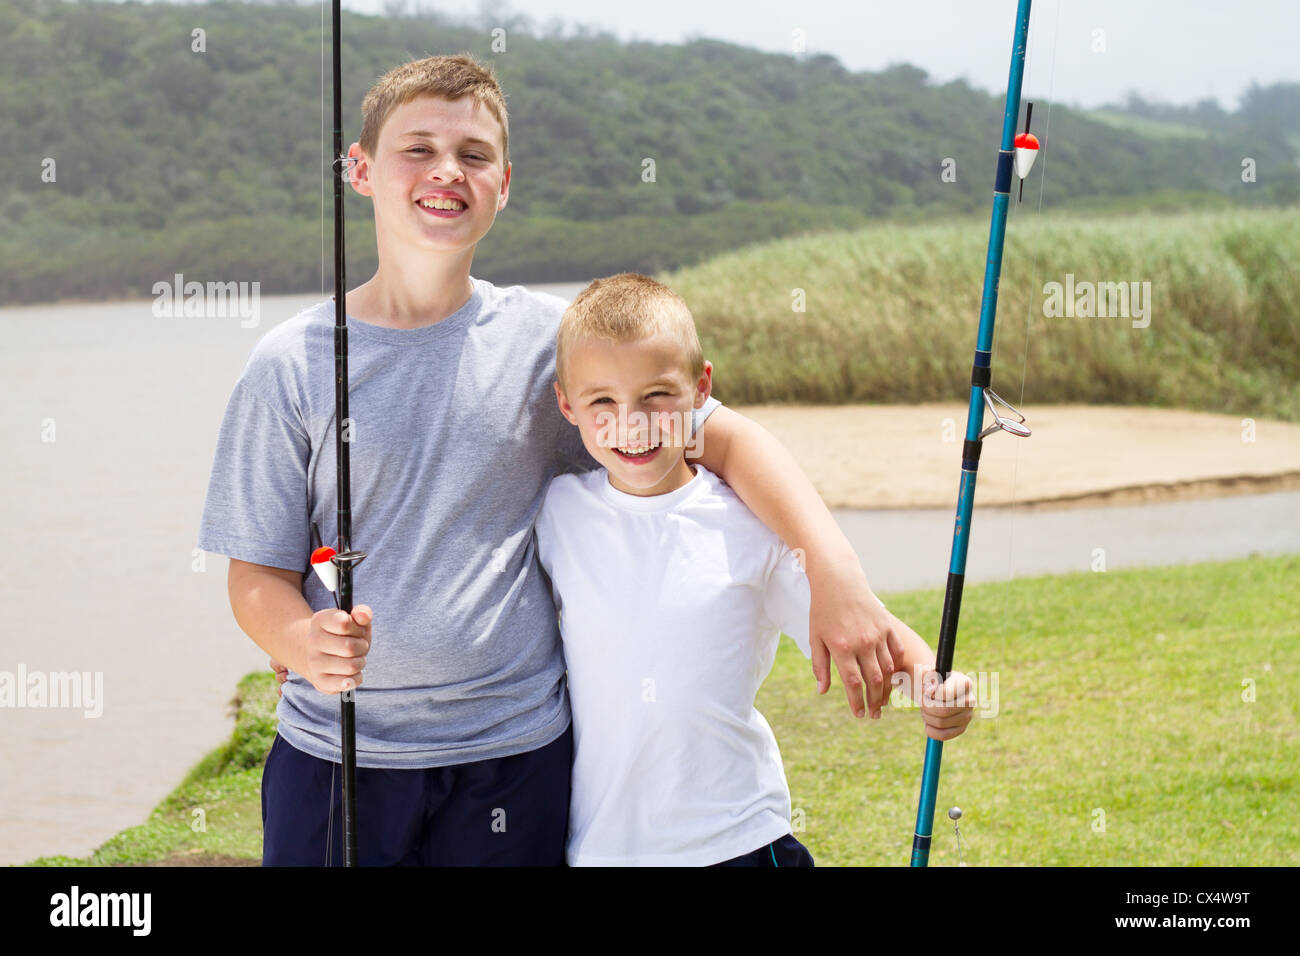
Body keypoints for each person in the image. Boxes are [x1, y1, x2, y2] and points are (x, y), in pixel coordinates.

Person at [200, 53, 904, 867]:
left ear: (506, 181)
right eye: (416, 148)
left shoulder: (553, 346)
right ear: (359, 169)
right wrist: (299, 641)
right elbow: (255, 575)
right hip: (336, 760)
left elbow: (727, 439)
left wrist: (837, 573)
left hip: (516, 761)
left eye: (473, 154)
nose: (446, 172)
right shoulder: (287, 363)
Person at [535, 273, 975, 866]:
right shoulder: (557, 513)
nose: (631, 422)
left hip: (742, 840)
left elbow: (870, 630)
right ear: (567, 404)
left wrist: (932, 683)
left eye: (657, 395)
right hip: (604, 849)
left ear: (701, 388)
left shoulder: (751, 529)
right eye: (603, 402)